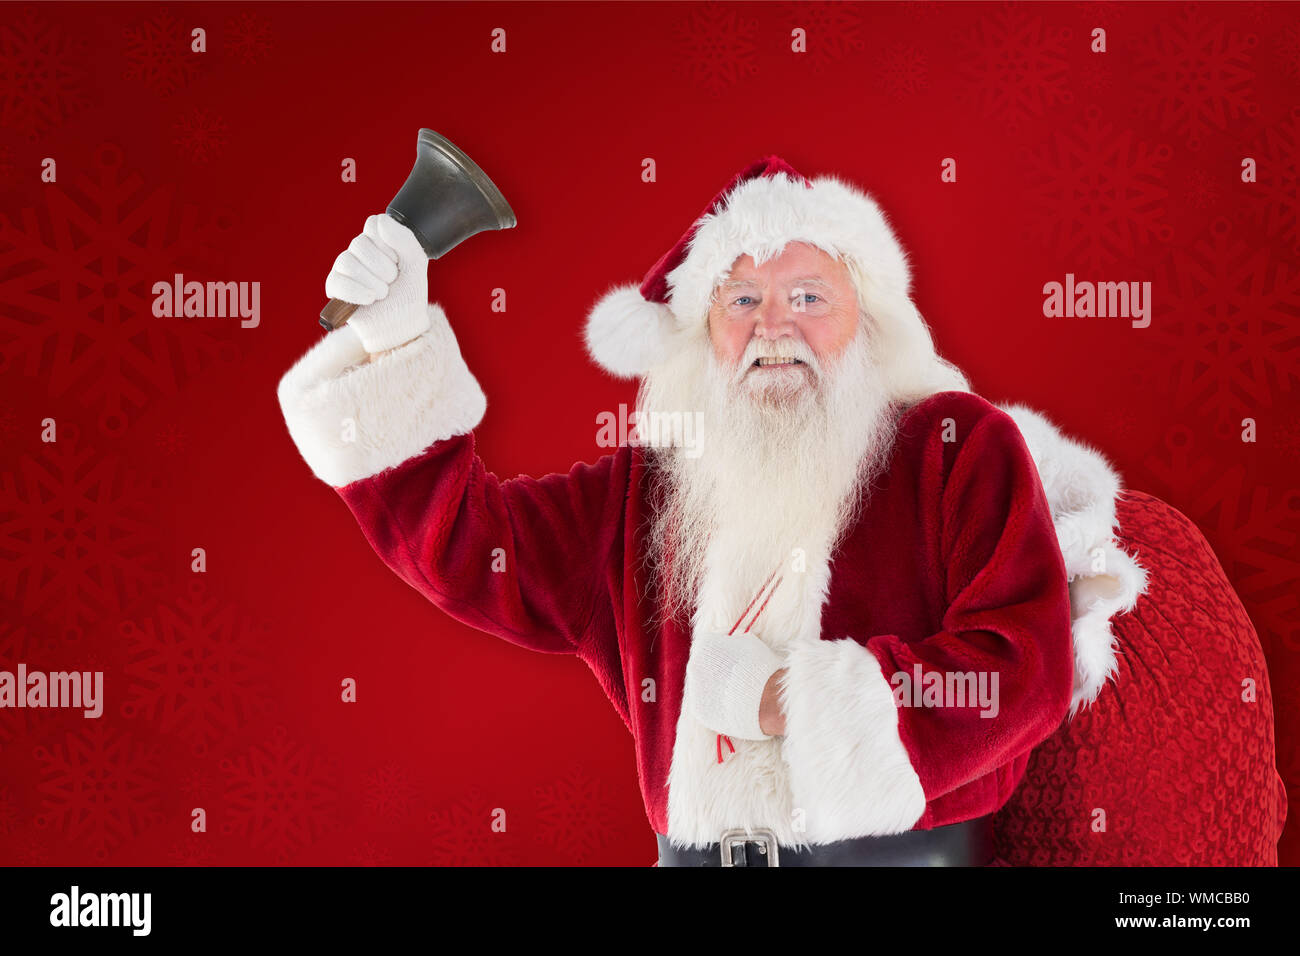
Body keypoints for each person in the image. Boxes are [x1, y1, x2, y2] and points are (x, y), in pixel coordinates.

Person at [277, 155, 1129, 866]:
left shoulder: (956, 445)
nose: (773, 328)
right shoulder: (641, 495)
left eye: (808, 297)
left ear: (865, 318)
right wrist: (394, 344)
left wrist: (788, 703)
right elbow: (468, 544)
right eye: (742, 299)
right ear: (704, 333)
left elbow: (1023, 664)